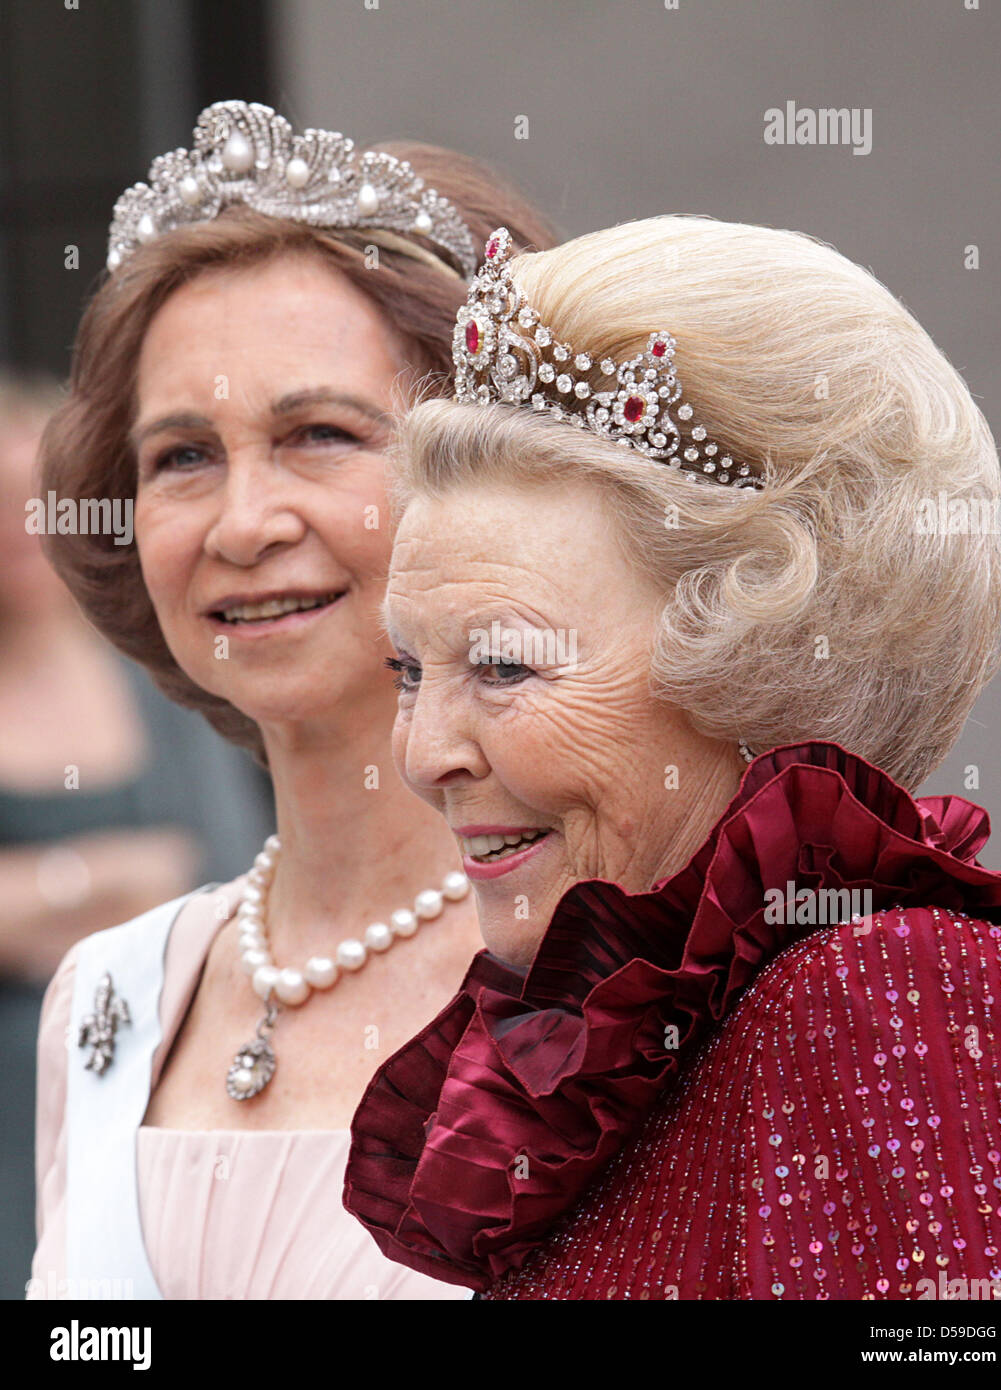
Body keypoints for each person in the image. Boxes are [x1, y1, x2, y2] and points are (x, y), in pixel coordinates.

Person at [344, 219, 1001, 1300]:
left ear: (754, 669)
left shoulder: (890, 999)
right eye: (406, 670)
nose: (423, 752)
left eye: (502, 667)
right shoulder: (616, 1064)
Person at [30, 102, 554, 1300]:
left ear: (483, 471)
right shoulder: (107, 1000)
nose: (243, 522)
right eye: (182, 457)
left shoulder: (621, 971)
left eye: (316, 433)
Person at [0, 372, 273, 1298]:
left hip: (146, 1086)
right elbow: (158, 876)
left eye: (29, 503)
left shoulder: (163, 684)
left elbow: (220, 877)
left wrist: (33, 895)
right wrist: (101, 879)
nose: (16, 532)